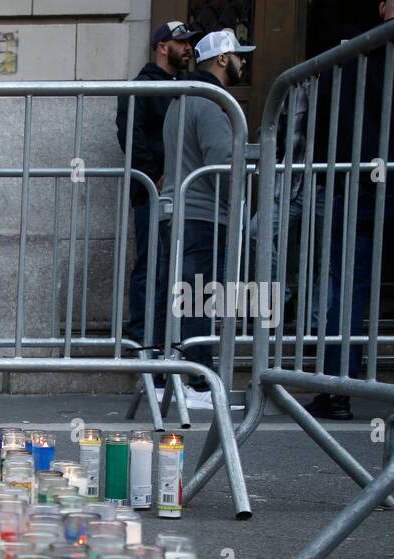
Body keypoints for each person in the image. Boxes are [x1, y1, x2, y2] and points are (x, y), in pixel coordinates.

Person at [304, 0, 394, 420]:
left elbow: (323, 127)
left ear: (381, 7)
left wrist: (331, 180)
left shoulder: (349, 56)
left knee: (347, 291)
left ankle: (338, 388)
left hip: (357, 183)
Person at [157, 27, 256, 400]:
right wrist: (240, 213)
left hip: (179, 213)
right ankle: (198, 381)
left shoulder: (181, 100)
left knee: (186, 298)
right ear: (221, 58)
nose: (242, 61)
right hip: (202, 216)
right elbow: (222, 166)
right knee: (198, 299)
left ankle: (180, 376)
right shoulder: (213, 103)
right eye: (238, 55)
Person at [117, 21, 200, 354]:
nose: (188, 48)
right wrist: (155, 175)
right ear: (162, 46)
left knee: (177, 265)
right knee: (151, 263)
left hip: (184, 190)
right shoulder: (143, 85)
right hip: (153, 191)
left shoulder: (187, 85)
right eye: (181, 42)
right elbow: (130, 134)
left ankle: (168, 338)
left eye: (190, 43)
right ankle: (140, 337)